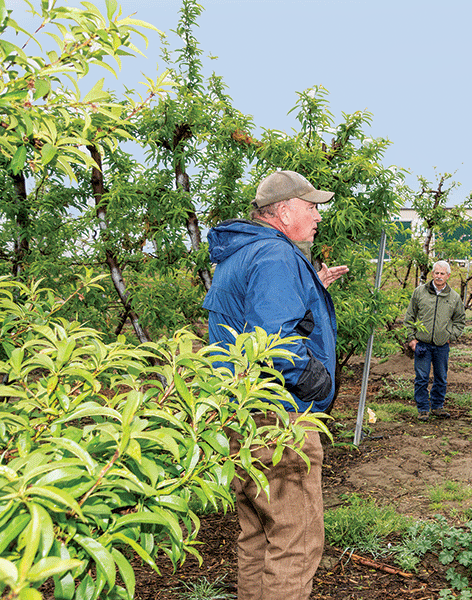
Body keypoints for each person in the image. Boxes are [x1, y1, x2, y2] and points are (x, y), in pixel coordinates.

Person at [204, 170, 348, 600]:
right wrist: (317, 386)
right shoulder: (276, 257)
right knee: (295, 542)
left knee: (257, 535)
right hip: (279, 419)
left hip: (243, 416)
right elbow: (274, 342)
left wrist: (308, 288)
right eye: (311, 206)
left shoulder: (243, 254)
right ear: (284, 211)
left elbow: (254, 318)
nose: (318, 215)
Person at [404, 260, 466, 421]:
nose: (439, 276)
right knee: (422, 377)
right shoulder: (420, 292)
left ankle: (437, 406)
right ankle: (423, 408)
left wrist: (450, 336)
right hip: (422, 344)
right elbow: (410, 316)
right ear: (432, 274)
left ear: (448, 276)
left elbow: (460, 320)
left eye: (442, 273)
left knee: (441, 377)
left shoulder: (453, 297)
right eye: (436, 273)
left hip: (441, 346)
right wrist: (412, 339)